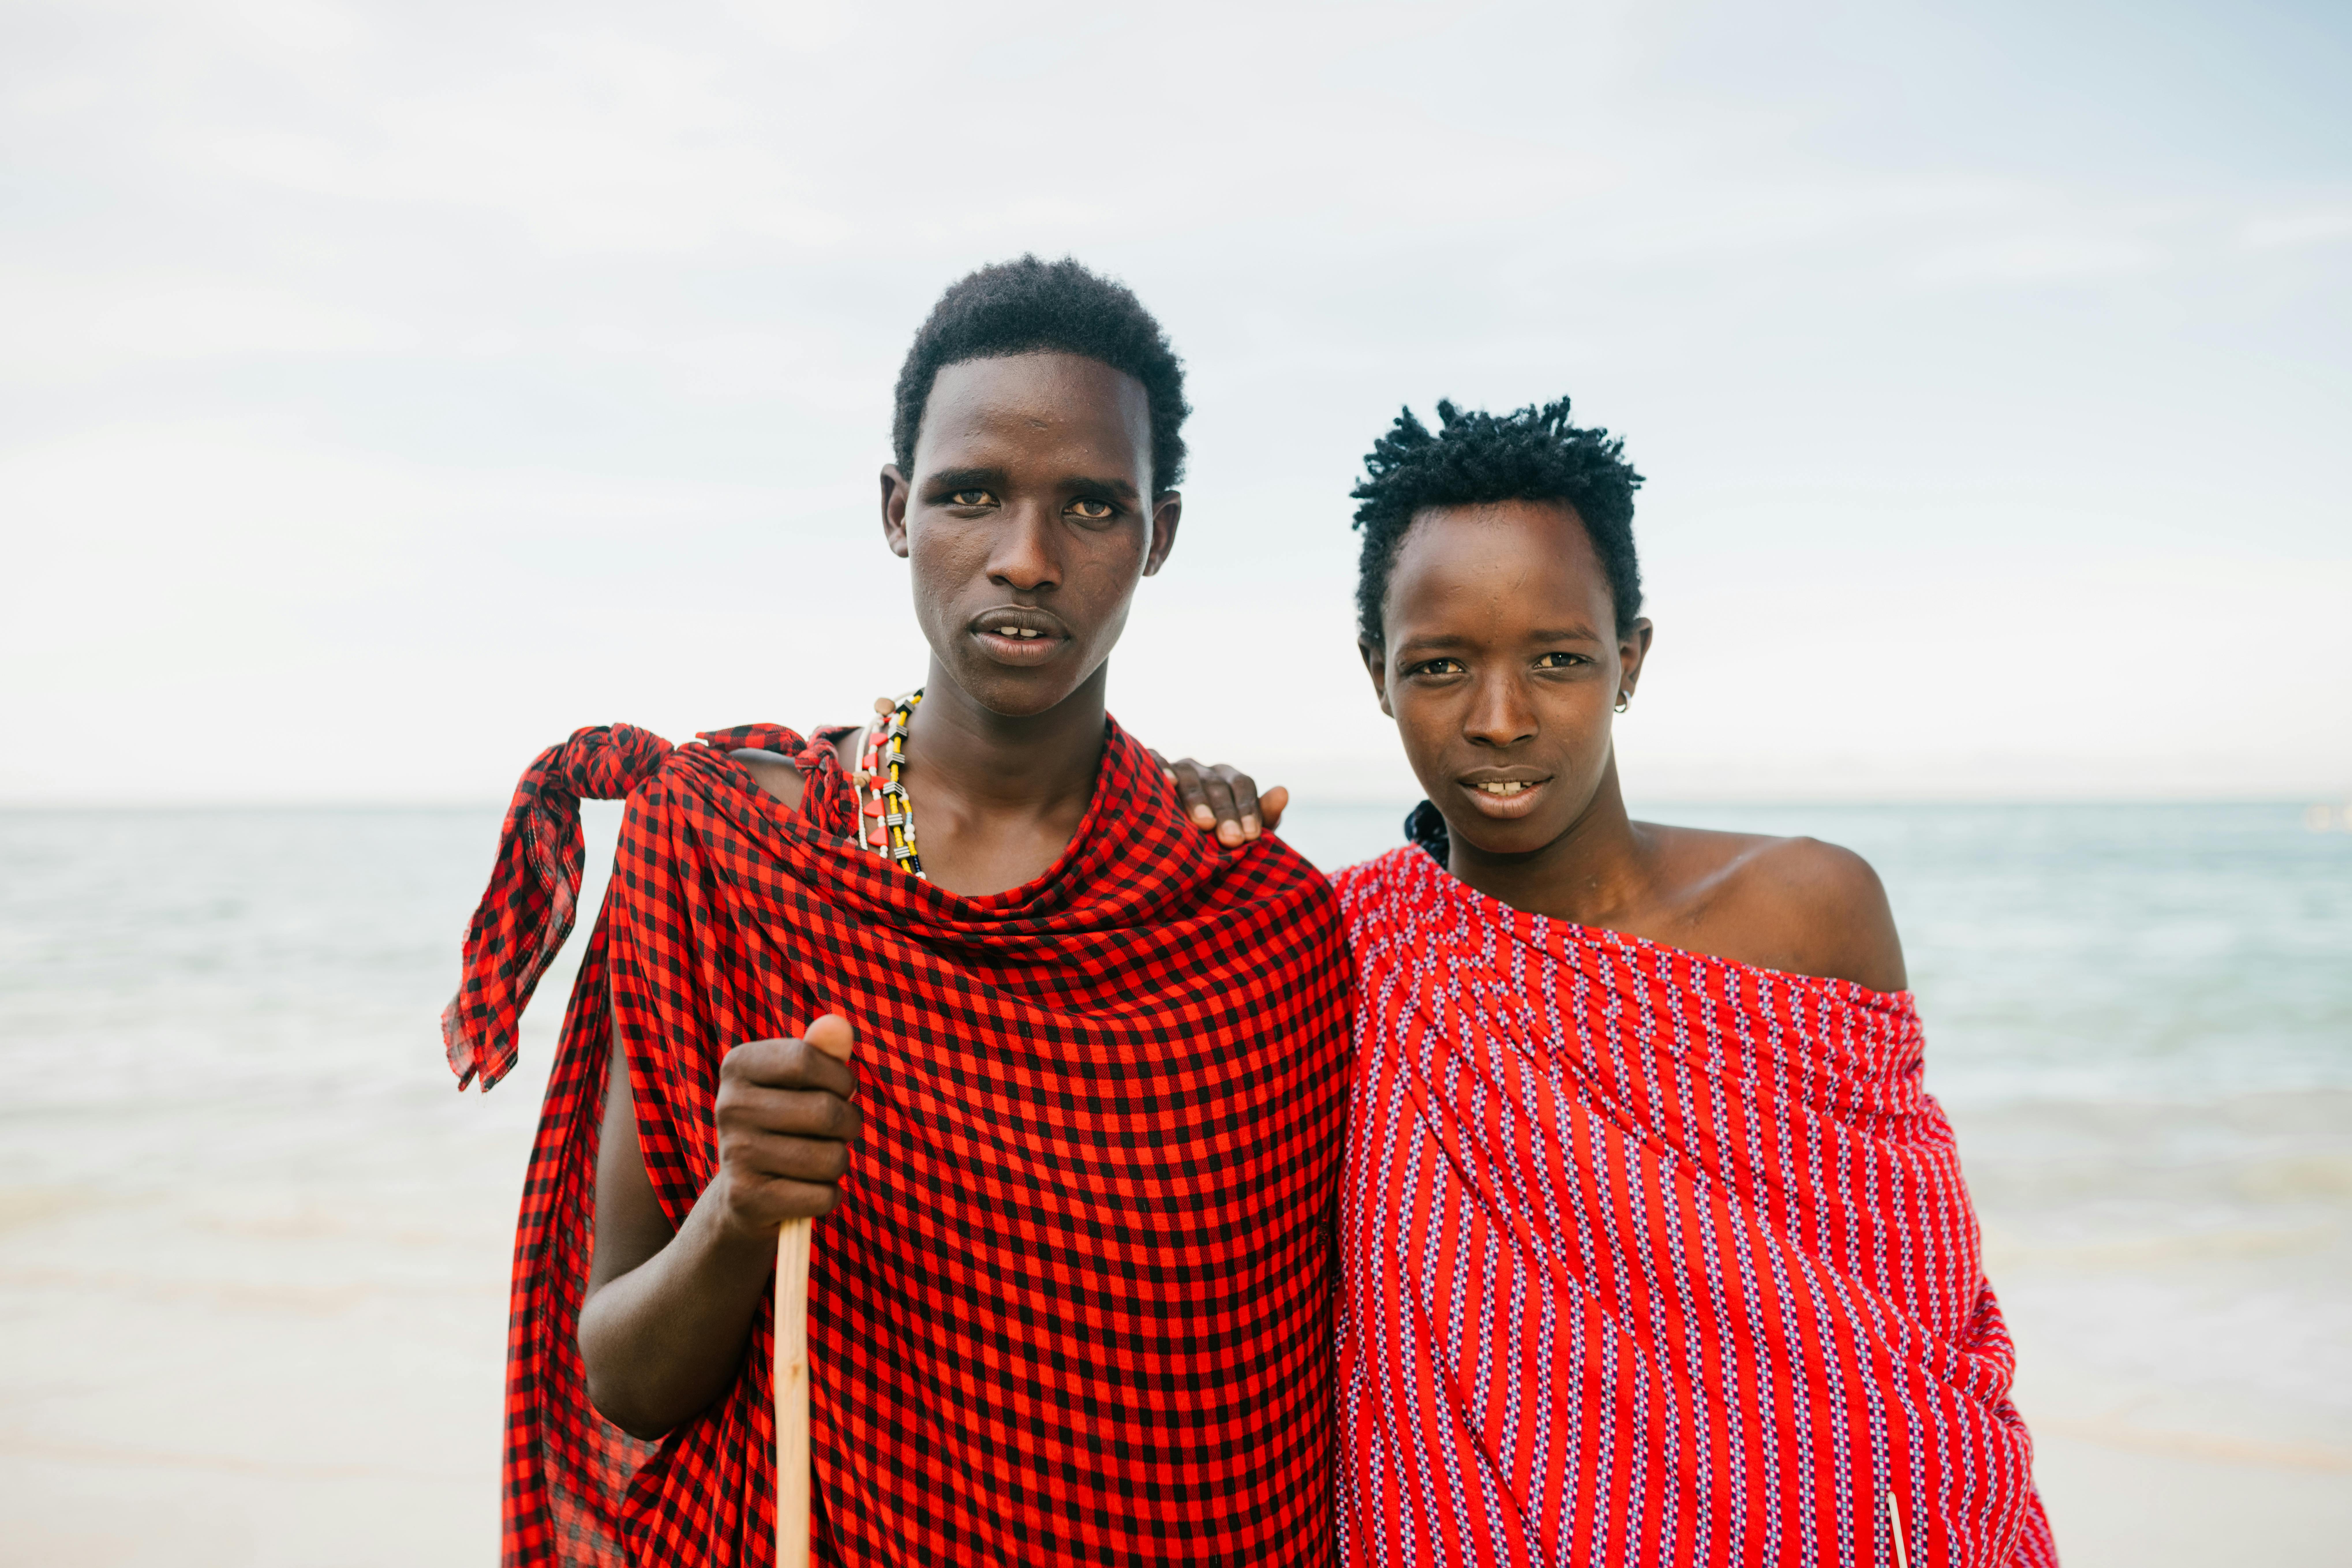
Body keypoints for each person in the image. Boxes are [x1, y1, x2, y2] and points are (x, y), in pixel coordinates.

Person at [442, 257, 1349, 1568]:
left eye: (1091, 507)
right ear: (894, 511)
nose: (1026, 559)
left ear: (1158, 535)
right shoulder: (735, 857)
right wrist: (740, 1208)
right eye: (970, 494)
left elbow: (1299, 1383)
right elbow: (625, 1381)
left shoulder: (1251, 921)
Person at [1329, 399, 2059, 1566]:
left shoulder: (1810, 908)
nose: (1500, 720)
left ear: (1629, 660)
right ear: (1379, 673)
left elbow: (1922, 1329)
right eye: (1441, 667)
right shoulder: (1349, 947)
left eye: (1558, 660)